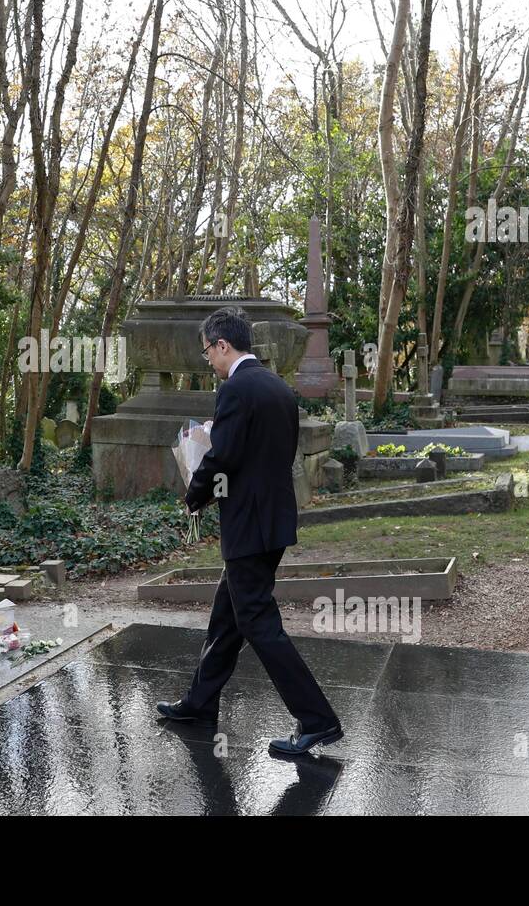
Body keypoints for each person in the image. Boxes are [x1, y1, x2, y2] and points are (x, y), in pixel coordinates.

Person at [156, 307, 343, 757]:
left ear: (223, 345)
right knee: (228, 618)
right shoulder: (279, 387)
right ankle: (200, 704)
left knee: (259, 624)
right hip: (274, 521)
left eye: (208, 352)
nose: (208, 361)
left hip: (248, 526)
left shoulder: (236, 389)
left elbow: (223, 458)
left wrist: (194, 494)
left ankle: (318, 720)